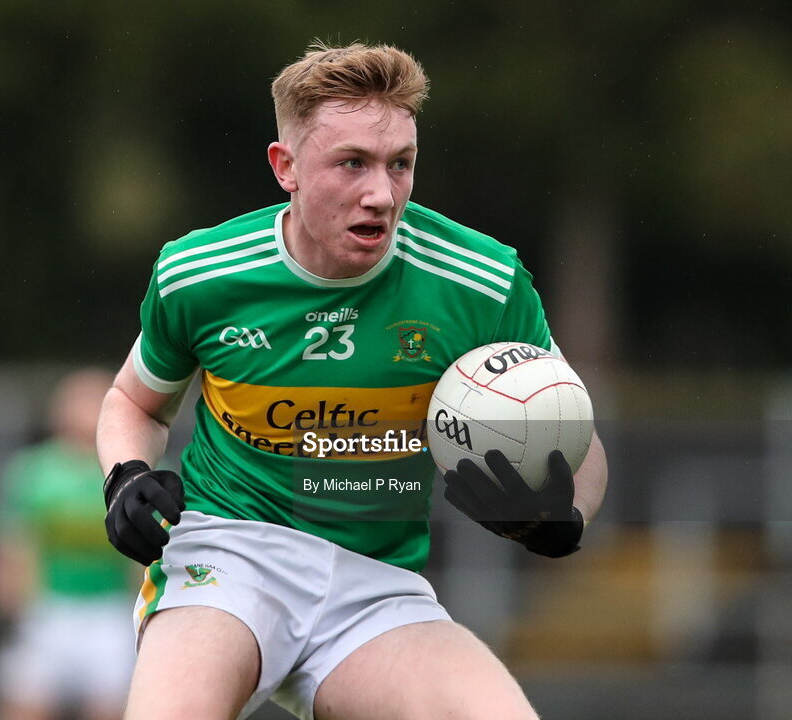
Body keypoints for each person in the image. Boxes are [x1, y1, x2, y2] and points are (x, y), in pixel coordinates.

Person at [98, 41, 608, 720]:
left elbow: (580, 441)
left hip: (378, 588)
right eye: (352, 164)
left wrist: (563, 518)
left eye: (401, 164)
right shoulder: (201, 274)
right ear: (286, 168)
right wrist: (126, 476)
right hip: (229, 557)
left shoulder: (481, 285)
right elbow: (134, 401)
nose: (381, 194)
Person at [0, 369, 136, 720]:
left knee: (115, 707)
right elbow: (13, 545)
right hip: (49, 607)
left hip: (111, 612)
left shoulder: (133, 472)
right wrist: (19, 610)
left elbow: (147, 556)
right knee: (23, 704)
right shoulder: (34, 471)